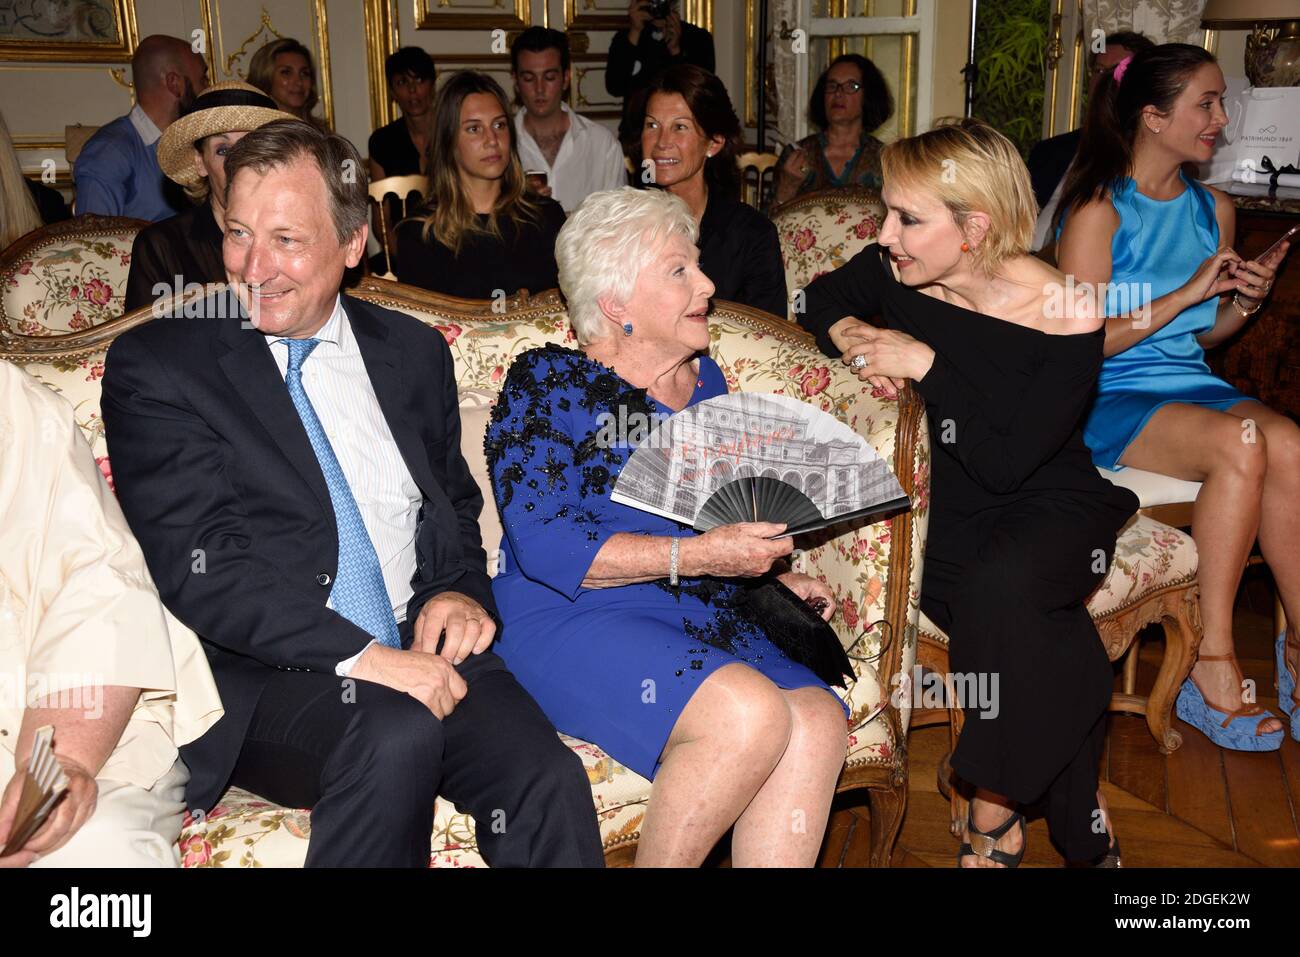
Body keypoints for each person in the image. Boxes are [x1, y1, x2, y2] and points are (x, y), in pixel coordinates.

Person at [101, 119, 604, 868]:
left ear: (351, 244)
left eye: (287, 240)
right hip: (269, 675)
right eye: (239, 233)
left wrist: (460, 590)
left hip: (421, 638)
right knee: (395, 730)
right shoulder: (163, 366)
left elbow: (452, 509)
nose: (253, 266)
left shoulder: (409, 353)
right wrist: (366, 656)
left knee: (545, 778)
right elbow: (204, 567)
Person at [801, 119, 1139, 867]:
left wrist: (925, 361)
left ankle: (990, 799)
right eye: (886, 212)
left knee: (1004, 586)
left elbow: (1009, 462)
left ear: (974, 226)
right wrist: (859, 336)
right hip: (952, 508)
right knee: (1044, 629)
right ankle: (1075, 801)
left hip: (1053, 502)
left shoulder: (1067, 310)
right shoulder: (897, 270)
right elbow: (817, 297)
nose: (886, 233)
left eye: (907, 218)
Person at [486, 186, 849, 867]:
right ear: (616, 304)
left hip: (695, 608)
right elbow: (551, 546)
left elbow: (720, 520)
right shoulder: (547, 385)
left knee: (818, 718)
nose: (708, 284)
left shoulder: (707, 380)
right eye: (679, 270)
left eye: (698, 265)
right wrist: (707, 555)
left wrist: (769, 570)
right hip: (571, 610)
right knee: (748, 713)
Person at [1055, 44, 1297, 750]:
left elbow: (1210, 334)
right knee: (1243, 441)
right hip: (1106, 392)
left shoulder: (1212, 207)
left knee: (1288, 440)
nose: (1222, 118)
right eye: (1207, 103)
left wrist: (1247, 301)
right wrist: (1187, 291)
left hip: (1188, 383)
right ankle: (1209, 661)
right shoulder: (1097, 212)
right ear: (1154, 117)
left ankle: (1299, 654)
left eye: (1222, 102)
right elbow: (1079, 342)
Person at [0, 361, 223, 868]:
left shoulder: (8, 406)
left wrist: (59, 762)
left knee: (93, 855)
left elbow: (96, 581)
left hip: (61, 731)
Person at [632, 64, 787, 318]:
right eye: (652, 125)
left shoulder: (751, 234)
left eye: (680, 127)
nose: (661, 142)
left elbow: (766, 336)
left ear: (713, 143)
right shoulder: (622, 225)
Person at [124, 81, 293, 313]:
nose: (238, 162)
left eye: (251, 147)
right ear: (200, 162)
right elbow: (141, 345)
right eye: (223, 150)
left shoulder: (300, 235)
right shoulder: (162, 247)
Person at [394, 72, 566, 300]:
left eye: (499, 125)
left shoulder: (547, 217)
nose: (492, 140)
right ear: (449, 141)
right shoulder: (419, 234)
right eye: (474, 129)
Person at [1028, 30, 1152, 249]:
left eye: (1118, 70)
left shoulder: (1149, 155)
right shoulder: (1050, 150)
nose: (1105, 79)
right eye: (1099, 70)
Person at [74, 35, 208, 220]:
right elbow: (92, 244)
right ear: (174, 84)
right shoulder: (109, 152)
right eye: (203, 80)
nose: (209, 89)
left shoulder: (196, 144)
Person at [511, 27, 626, 214]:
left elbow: (618, 221)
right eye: (529, 78)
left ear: (566, 78)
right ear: (516, 81)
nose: (539, 89)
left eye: (549, 77)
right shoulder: (501, 146)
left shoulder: (602, 144)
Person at [773, 54, 893, 207]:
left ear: (868, 96)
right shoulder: (795, 156)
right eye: (832, 86)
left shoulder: (885, 160)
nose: (838, 93)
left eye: (851, 86)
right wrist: (786, 190)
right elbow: (765, 225)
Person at [607, 1, 715, 141]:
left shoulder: (698, 38)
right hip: (636, 135)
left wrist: (676, 51)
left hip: (682, 135)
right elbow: (614, 86)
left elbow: (702, 93)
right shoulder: (626, 38)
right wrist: (634, 33)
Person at [368, 47, 437, 182]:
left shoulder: (453, 133)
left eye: (419, 80)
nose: (412, 89)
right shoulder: (382, 142)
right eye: (402, 82)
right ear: (392, 92)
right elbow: (381, 202)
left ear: (433, 86)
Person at [247, 38, 328, 131]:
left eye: (304, 73)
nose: (298, 82)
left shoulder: (320, 134)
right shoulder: (250, 131)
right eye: (286, 72)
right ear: (265, 76)